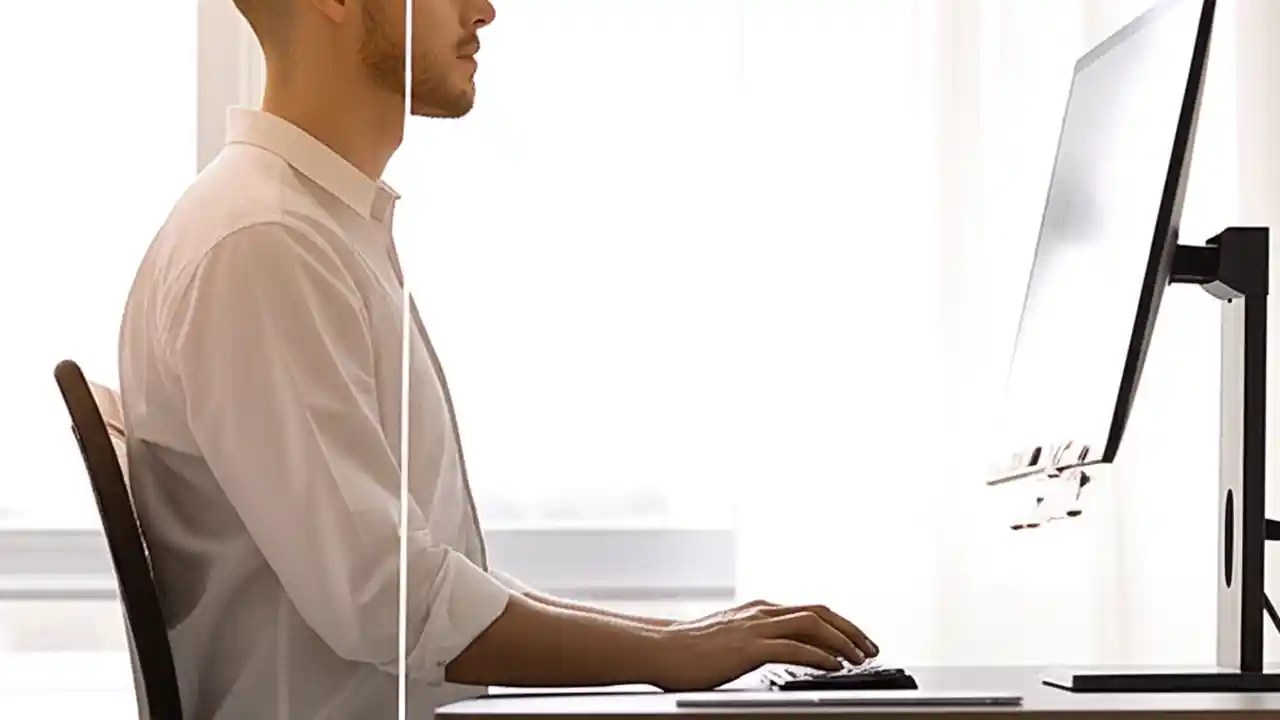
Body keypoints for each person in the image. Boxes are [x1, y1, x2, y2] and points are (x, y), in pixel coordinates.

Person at [118, 0, 879, 717]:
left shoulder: (309, 228)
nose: (485, 8)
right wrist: (671, 651)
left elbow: (423, 582)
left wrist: (682, 639)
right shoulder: (264, 242)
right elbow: (391, 601)